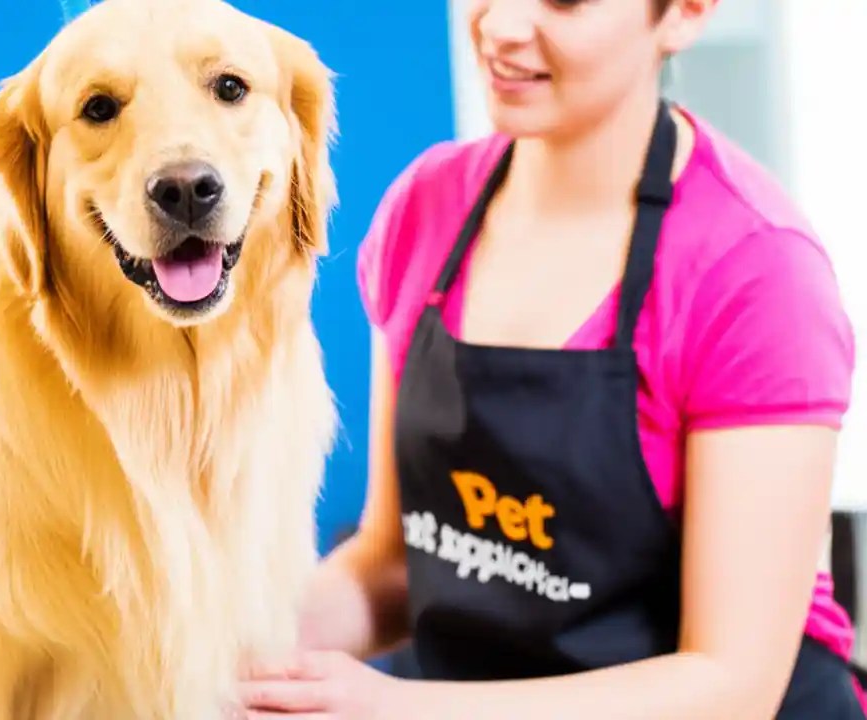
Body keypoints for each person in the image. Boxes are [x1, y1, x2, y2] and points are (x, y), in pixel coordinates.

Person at [237, 0, 863, 717]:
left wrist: (398, 710)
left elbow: (730, 685)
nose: (501, 25)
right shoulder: (428, 209)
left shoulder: (755, 270)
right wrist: (226, 653)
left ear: (685, 12)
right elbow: (395, 565)